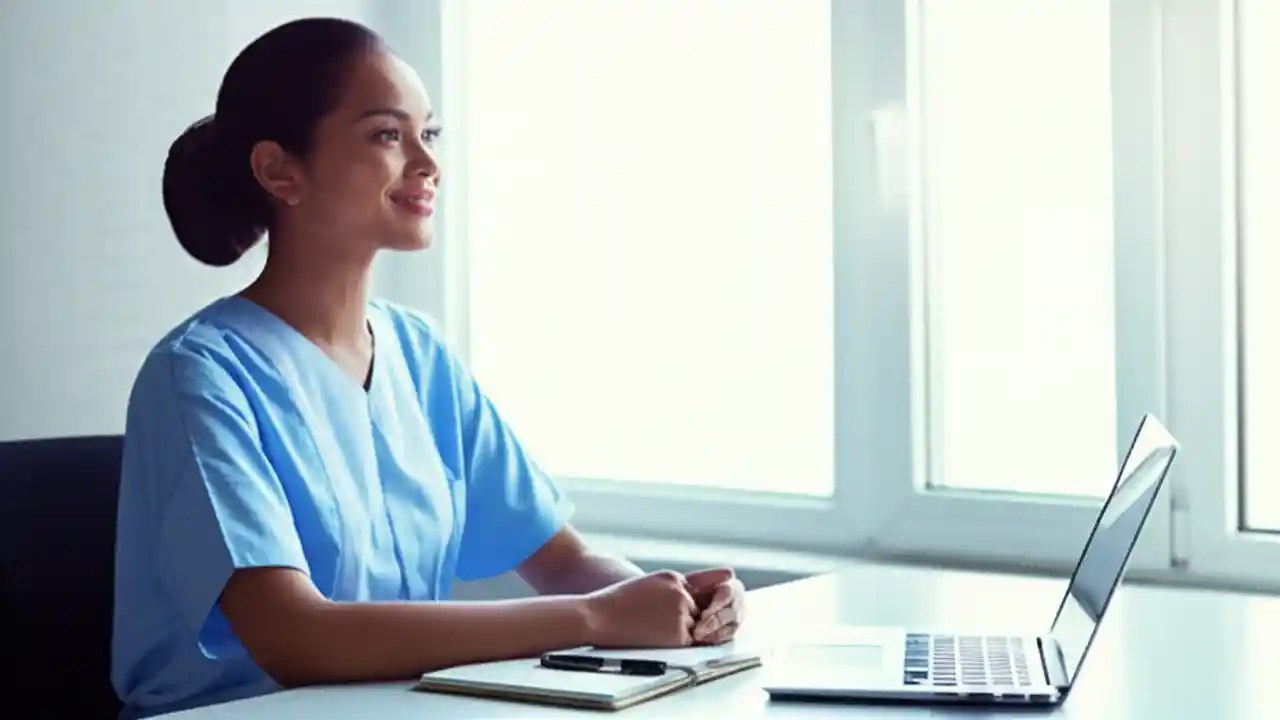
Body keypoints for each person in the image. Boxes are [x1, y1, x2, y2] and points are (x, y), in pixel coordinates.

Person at [111, 17, 745, 718]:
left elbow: (564, 562)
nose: (427, 161)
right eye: (388, 134)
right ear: (278, 169)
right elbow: (295, 637)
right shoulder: (199, 376)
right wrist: (595, 618)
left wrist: (675, 603)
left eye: (429, 134)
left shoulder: (420, 355)